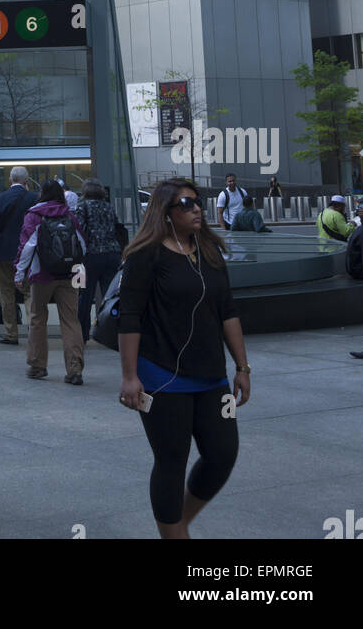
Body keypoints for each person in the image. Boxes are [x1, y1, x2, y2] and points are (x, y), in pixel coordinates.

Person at [117, 178, 250, 540]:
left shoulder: (208, 250)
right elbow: (129, 316)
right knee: (172, 460)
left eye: (198, 202)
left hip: (211, 376)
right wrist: (130, 376)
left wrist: (242, 366)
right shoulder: (145, 255)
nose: (197, 209)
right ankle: (173, 533)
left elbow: (228, 310)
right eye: (187, 203)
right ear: (166, 212)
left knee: (222, 454)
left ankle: (180, 521)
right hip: (161, 375)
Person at [14, 180, 86, 384]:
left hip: (42, 275)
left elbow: (27, 247)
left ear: (41, 194)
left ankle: (38, 366)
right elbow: (82, 246)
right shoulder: (69, 215)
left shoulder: (34, 216)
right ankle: (74, 369)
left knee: (38, 318)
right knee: (71, 320)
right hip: (69, 274)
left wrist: (19, 274)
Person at [0, 165, 37, 345]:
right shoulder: (34, 198)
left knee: (6, 293)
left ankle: (11, 333)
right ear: (27, 181)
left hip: (4, 254)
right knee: (28, 292)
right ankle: (34, 332)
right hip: (28, 252)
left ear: (10, 180)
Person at [75, 178, 122, 343]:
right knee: (110, 297)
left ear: (85, 192)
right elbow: (117, 227)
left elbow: (78, 231)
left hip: (88, 258)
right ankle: (111, 333)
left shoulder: (82, 207)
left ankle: (82, 334)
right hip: (113, 255)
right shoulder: (109, 207)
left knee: (83, 296)